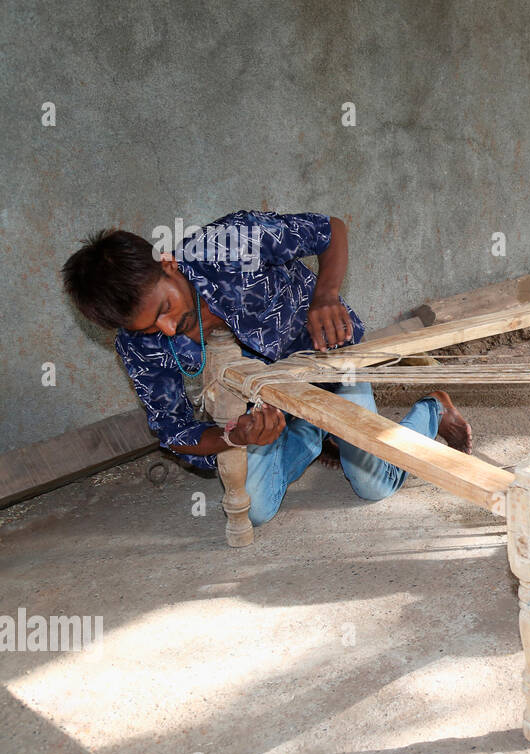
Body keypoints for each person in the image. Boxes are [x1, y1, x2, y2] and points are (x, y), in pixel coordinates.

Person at [61, 210, 472, 526]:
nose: (167, 328)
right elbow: (174, 432)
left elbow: (330, 230)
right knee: (253, 510)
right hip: (261, 410)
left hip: (326, 363)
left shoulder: (230, 244)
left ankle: (432, 409)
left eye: (165, 309)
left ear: (168, 264)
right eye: (150, 327)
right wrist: (232, 436)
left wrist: (325, 296)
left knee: (373, 485)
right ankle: (311, 432)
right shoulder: (138, 345)